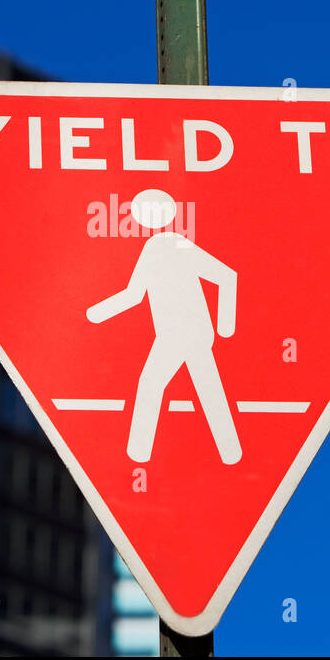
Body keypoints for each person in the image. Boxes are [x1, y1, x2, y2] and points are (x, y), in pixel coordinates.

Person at [87, 188, 242, 465]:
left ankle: (139, 455)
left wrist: (226, 327)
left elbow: (227, 276)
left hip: (187, 333)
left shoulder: (176, 245)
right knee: (200, 387)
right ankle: (230, 454)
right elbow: (135, 295)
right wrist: (96, 313)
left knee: (155, 383)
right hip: (178, 334)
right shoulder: (157, 247)